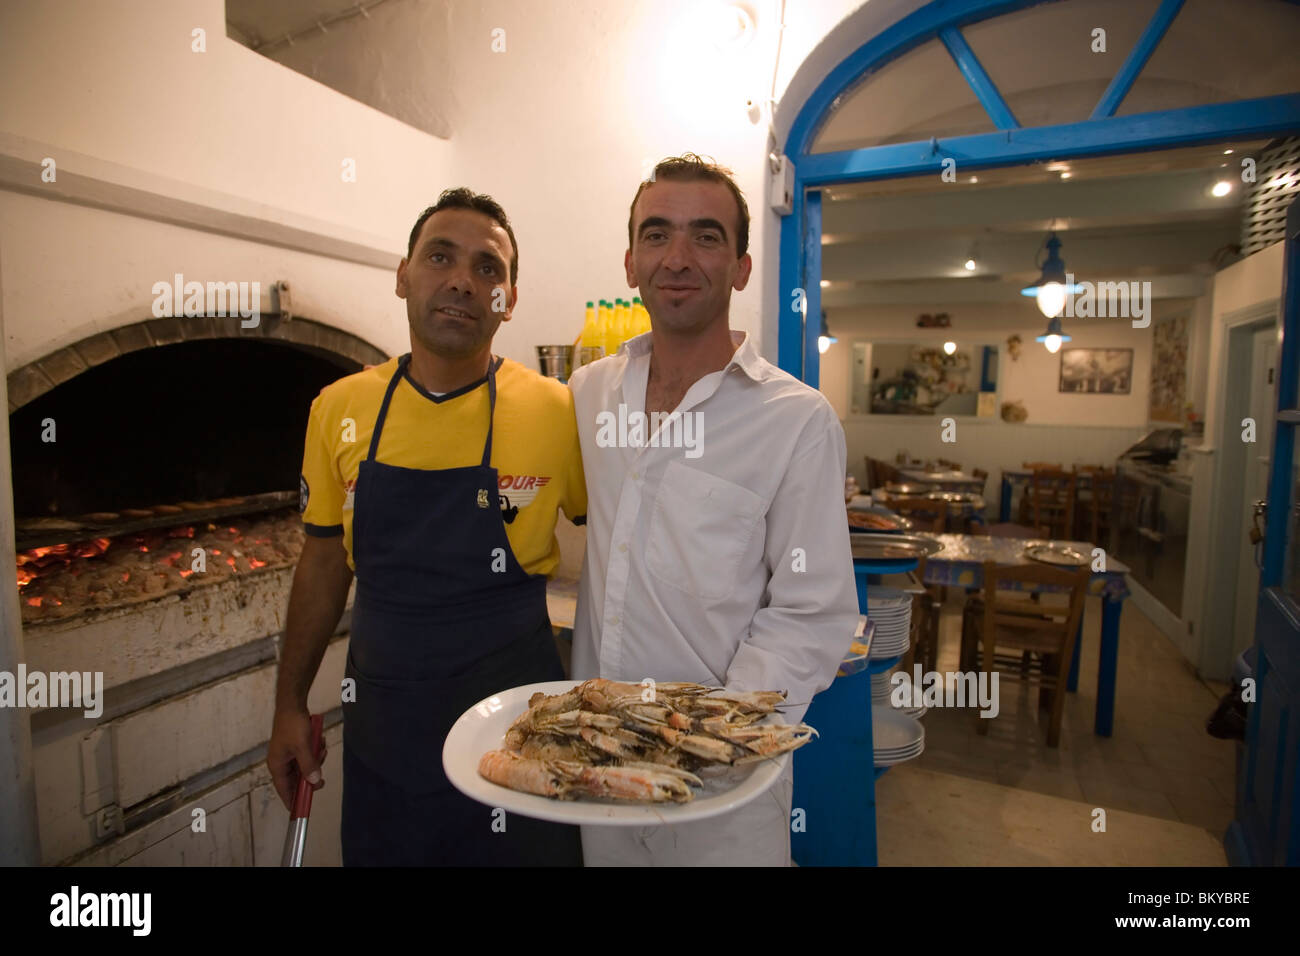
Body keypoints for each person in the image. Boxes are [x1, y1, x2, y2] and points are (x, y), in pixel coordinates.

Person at [267, 187, 586, 866]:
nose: (462, 281)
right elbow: (323, 564)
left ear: (509, 299)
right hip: (389, 724)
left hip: (520, 727)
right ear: (403, 274)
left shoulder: (558, 410)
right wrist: (290, 704)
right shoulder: (338, 407)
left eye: (488, 268)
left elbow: (618, 539)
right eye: (440, 256)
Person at [568, 154, 859, 866]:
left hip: (725, 796)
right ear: (630, 261)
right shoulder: (586, 394)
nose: (677, 257)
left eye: (705, 236)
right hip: (597, 768)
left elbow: (813, 610)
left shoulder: (796, 420)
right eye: (657, 234)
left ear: (742, 267)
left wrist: (709, 738)